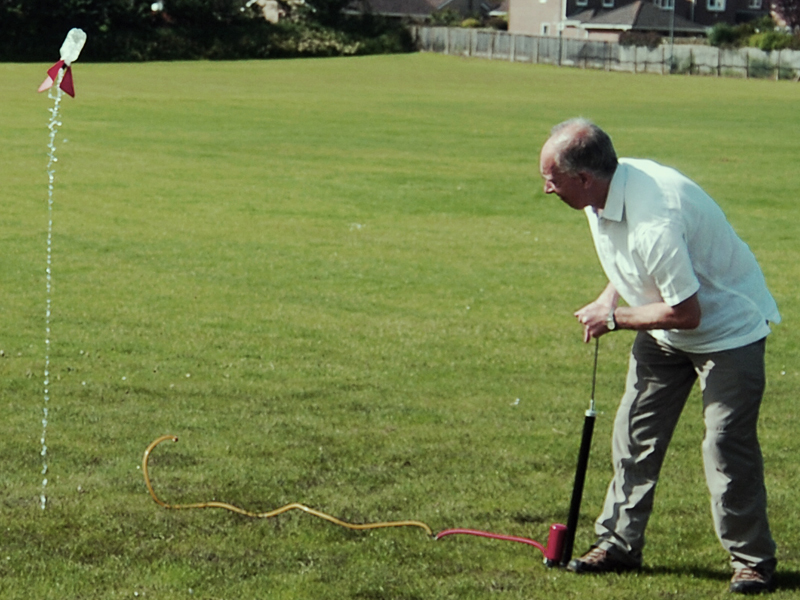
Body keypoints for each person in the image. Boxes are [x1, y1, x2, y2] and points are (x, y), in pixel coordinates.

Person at [539, 118, 780, 595]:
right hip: (663, 328)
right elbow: (628, 253)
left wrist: (613, 320)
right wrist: (612, 296)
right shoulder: (602, 192)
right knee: (634, 435)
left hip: (726, 331)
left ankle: (752, 561)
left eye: (552, 178)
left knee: (725, 447)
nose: (546, 188)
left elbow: (686, 312)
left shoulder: (656, 217)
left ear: (584, 178)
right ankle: (617, 545)